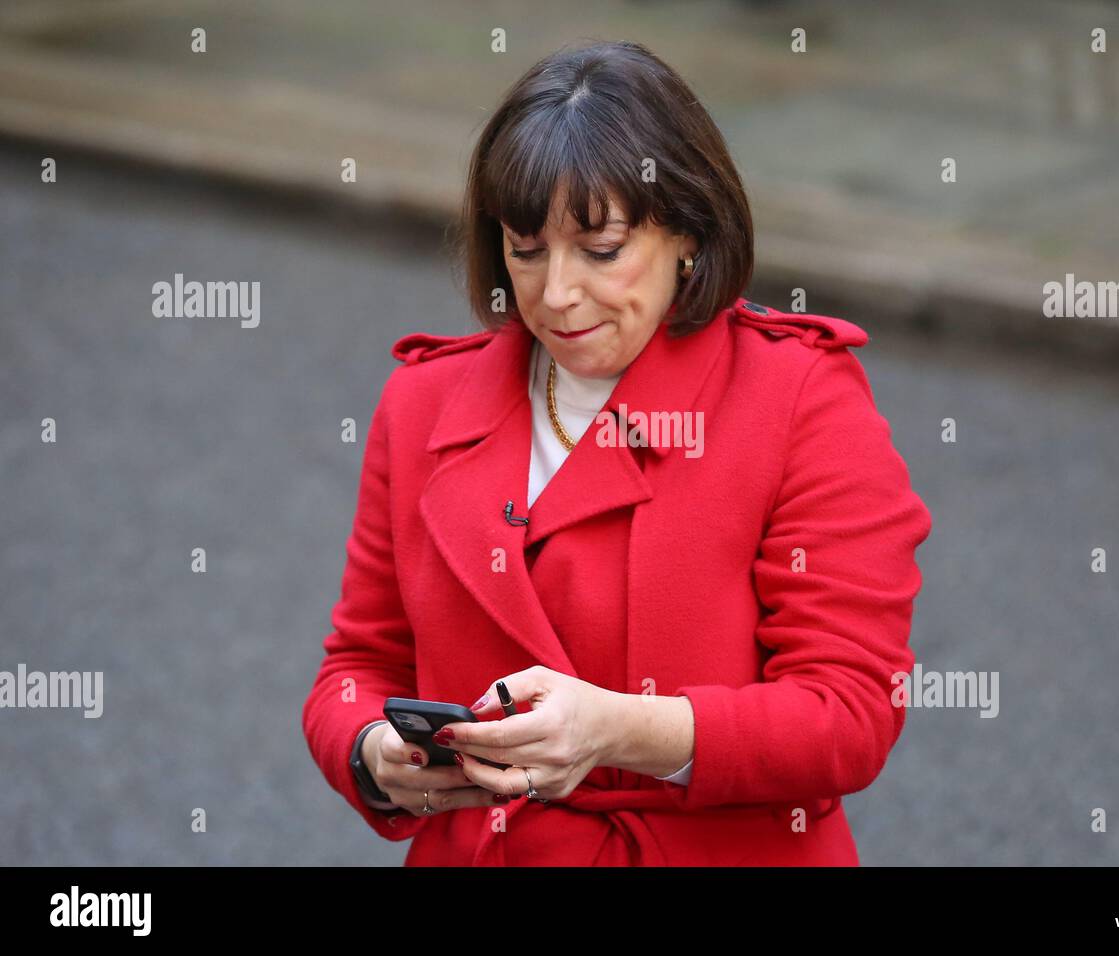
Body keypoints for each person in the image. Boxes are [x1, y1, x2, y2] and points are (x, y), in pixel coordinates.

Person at [302, 39, 931, 866]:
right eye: (527, 249)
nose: (557, 293)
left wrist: (619, 731)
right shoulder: (422, 400)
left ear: (689, 236)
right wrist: (373, 757)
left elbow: (851, 711)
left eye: (600, 251)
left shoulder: (800, 396)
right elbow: (357, 665)